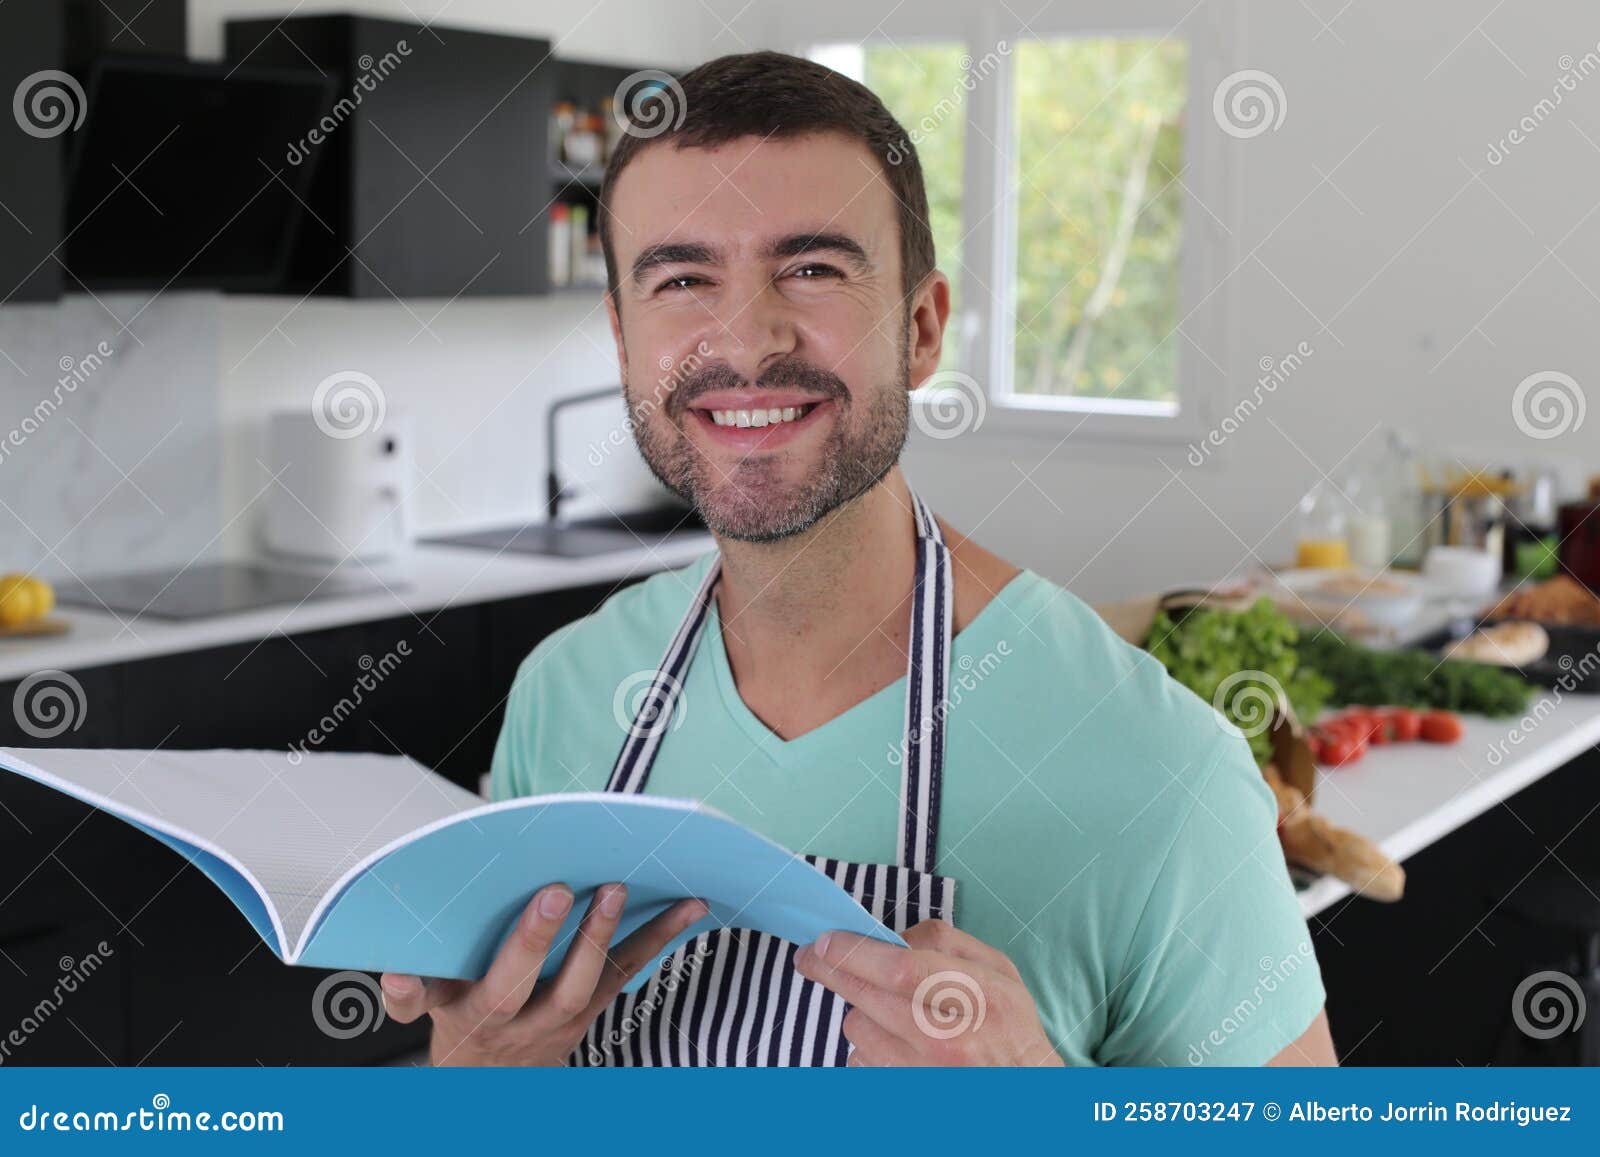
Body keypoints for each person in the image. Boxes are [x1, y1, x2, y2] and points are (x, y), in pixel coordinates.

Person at [382, 50, 1335, 1068]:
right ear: (622, 339)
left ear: (921, 329)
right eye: (681, 278)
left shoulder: (1161, 772)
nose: (745, 337)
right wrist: (475, 1074)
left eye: (812, 268)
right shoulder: (565, 693)